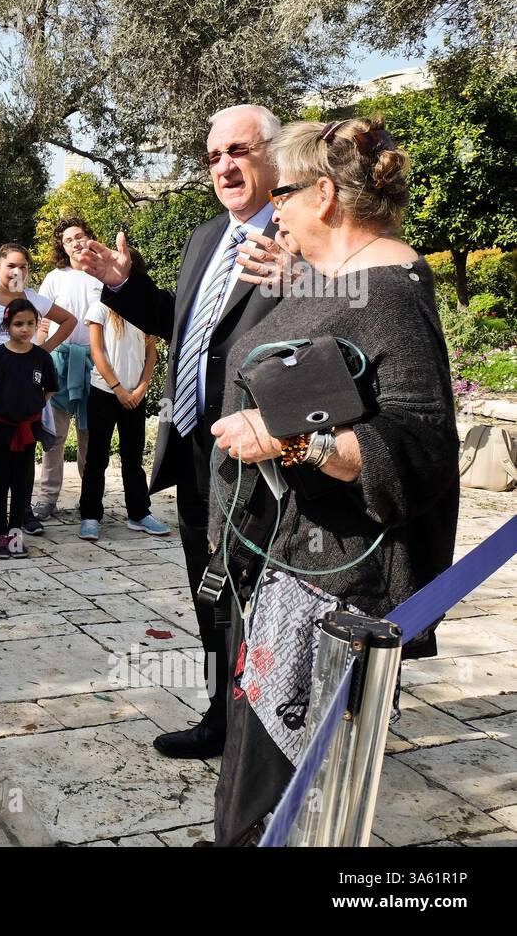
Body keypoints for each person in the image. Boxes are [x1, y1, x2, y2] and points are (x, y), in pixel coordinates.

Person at [206, 116, 458, 845]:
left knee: (287, 787)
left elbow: (419, 446)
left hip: (330, 586)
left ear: (322, 195)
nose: (272, 209)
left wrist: (291, 442)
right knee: (256, 767)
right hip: (283, 563)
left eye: (280, 194)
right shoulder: (343, 277)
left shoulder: (391, 290)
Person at [78, 104, 284, 759]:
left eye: (239, 151)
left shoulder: (296, 238)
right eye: (214, 155)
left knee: (265, 596)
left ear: (275, 157)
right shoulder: (204, 239)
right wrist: (123, 285)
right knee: (212, 591)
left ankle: (273, 728)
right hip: (199, 448)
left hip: (265, 459)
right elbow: (185, 324)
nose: (224, 165)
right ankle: (223, 719)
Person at [0, 242, 78, 535]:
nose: (17, 271)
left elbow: (69, 321)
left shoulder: (34, 300)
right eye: (11, 265)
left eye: (23, 266)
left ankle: (24, 510)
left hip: (30, 387)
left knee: (27, 449)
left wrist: (44, 352)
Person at [77, 281, 169, 539]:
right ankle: (91, 515)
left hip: (135, 396)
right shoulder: (100, 309)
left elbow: (151, 354)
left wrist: (140, 389)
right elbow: (96, 352)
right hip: (104, 393)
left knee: (133, 458)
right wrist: (118, 389)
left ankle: (139, 514)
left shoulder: (146, 312)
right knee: (97, 457)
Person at [0, 297, 59, 559]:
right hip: (1, 430)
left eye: (30, 323)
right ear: (7, 325)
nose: (25, 329)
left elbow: (49, 390)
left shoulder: (42, 358)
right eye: (18, 323)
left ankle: (15, 535)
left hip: (27, 431)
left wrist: (32, 410)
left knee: (22, 485)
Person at [32, 217, 100, 520]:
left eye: (80, 236)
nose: (75, 242)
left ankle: (91, 499)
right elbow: (42, 321)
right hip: (59, 363)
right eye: (69, 238)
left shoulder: (100, 275)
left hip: (94, 362)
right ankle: (47, 497)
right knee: (55, 435)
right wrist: (39, 355)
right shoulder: (55, 278)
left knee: (90, 435)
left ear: (88, 239)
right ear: (62, 245)